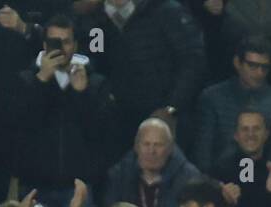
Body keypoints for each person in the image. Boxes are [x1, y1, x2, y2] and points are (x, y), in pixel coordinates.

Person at [10, 14, 108, 207]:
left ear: (75, 45)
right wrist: (41, 80)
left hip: (78, 191)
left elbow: (100, 134)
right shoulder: (25, 81)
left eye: (65, 42)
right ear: (44, 45)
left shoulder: (96, 83)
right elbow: (19, 127)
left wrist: (81, 94)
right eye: (54, 42)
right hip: (35, 188)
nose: (60, 48)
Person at [87, 0, 206, 163]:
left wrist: (171, 108)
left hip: (167, 118)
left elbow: (193, 61)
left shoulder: (165, 11)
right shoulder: (96, 20)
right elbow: (96, 62)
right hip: (119, 122)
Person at [193, 35, 271, 176]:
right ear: (237, 63)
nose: (259, 73)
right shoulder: (212, 98)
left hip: (265, 183)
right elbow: (202, 157)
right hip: (220, 182)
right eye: (252, 66)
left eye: (264, 67)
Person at [103, 118, 203, 207]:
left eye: (158, 145)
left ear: (170, 148)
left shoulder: (189, 178)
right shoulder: (119, 175)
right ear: (136, 146)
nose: (151, 151)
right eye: (146, 144)